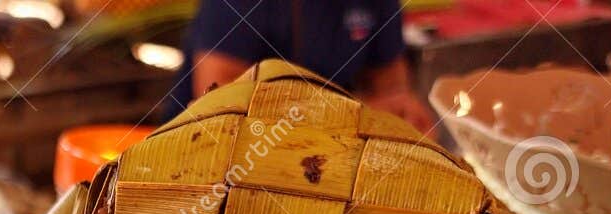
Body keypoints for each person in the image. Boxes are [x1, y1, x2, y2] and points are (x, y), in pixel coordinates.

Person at [182, 0, 433, 131]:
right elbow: (219, 105)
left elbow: (393, 90)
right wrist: (356, 115)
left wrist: (407, 122)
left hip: (328, 152)